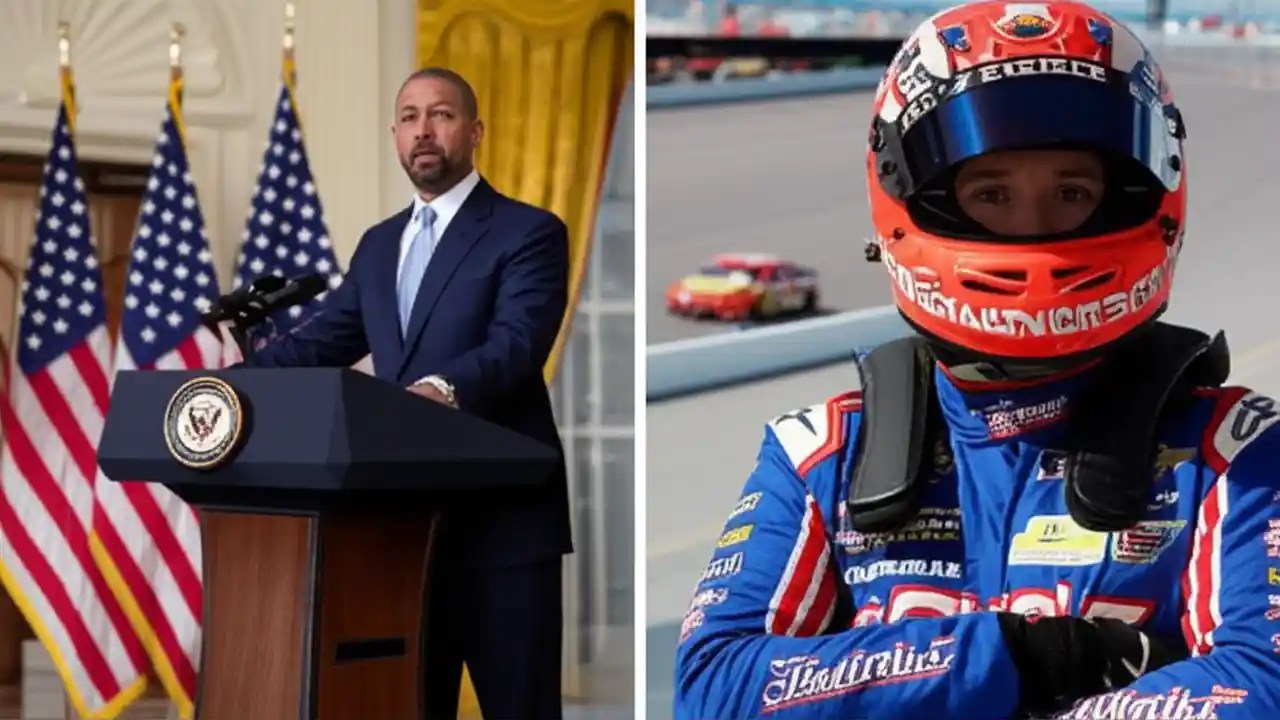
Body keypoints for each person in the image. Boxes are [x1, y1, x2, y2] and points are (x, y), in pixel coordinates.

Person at [673, 2, 1280, 718]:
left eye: (1072, 193)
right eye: (992, 194)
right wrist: (1022, 656)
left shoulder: (1235, 447)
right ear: (913, 199)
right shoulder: (820, 453)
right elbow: (715, 688)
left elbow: (1260, 687)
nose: (1034, 228)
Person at [241, 67, 571, 718]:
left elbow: (517, 343)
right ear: (394, 135)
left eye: (441, 115)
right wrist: (225, 388)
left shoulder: (527, 232)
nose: (424, 130)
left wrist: (438, 390)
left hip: (501, 529)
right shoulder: (379, 244)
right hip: (399, 534)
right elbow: (322, 343)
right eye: (411, 117)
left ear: (474, 132)